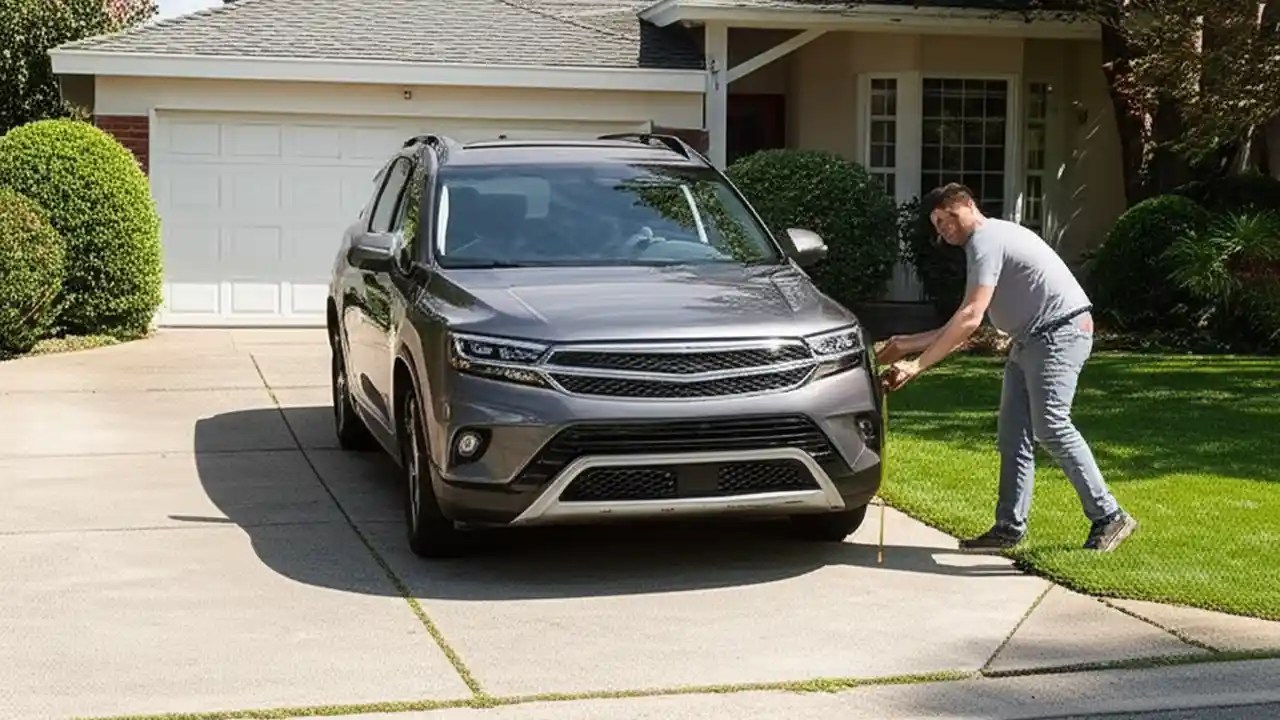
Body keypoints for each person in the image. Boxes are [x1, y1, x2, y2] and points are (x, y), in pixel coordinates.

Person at [877, 183, 1137, 553]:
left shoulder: (986, 239)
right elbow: (969, 322)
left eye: (945, 218)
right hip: (1030, 339)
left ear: (966, 205)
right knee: (1014, 433)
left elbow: (968, 318)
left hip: (1058, 332)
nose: (942, 229)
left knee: (1051, 425)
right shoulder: (989, 241)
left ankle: (1109, 515)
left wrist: (916, 366)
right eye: (936, 225)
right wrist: (906, 343)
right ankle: (1008, 528)